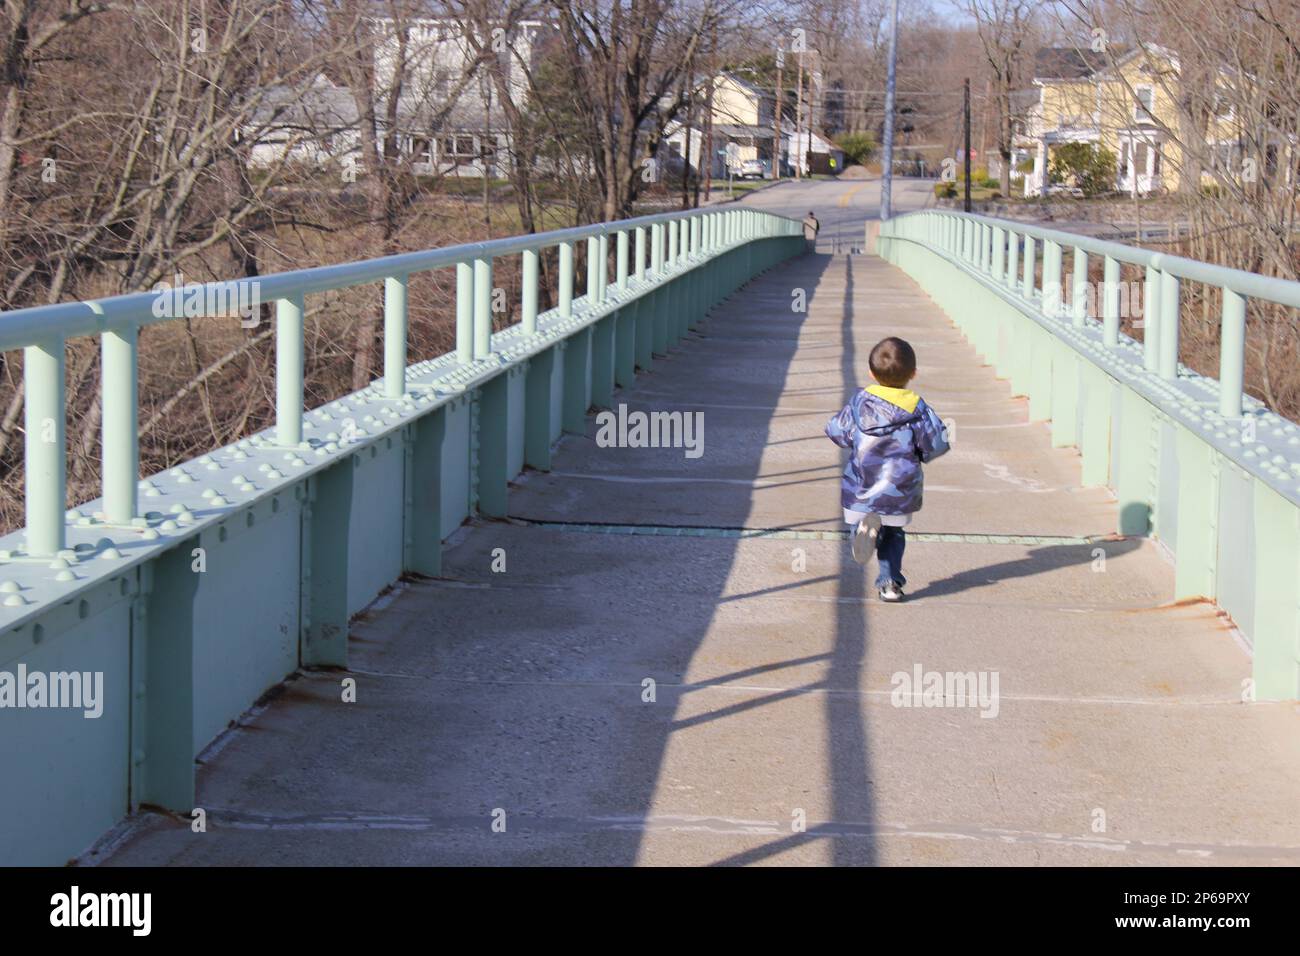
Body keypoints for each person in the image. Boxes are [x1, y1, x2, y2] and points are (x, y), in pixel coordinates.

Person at [824, 336, 950, 602]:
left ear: (871, 373)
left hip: (860, 487)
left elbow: (836, 431)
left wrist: (852, 440)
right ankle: (890, 584)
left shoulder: (859, 403)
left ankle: (863, 531)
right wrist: (921, 453)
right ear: (913, 374)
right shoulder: (918, 409)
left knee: (859, 521)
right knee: (894, 534)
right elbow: (937, 443)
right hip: (899, 491)